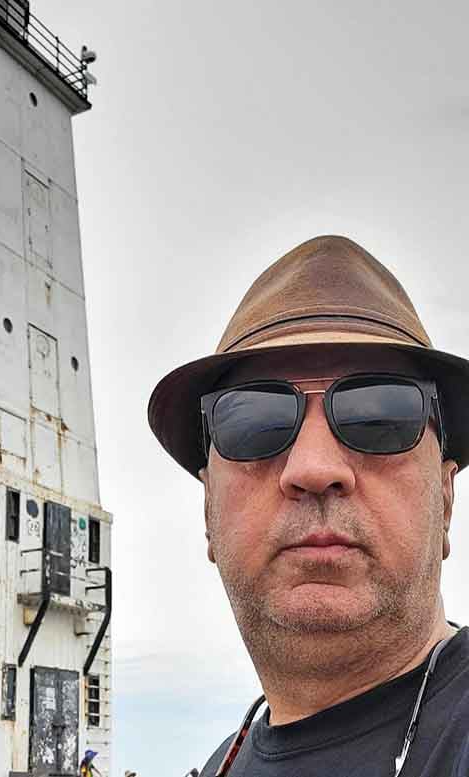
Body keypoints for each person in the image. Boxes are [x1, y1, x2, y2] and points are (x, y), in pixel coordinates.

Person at [148, 236, 469, 776]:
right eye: (252, 422)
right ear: (208, 510)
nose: (313, 468)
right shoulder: (221, 765)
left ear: (444, 498)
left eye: (380, 415)